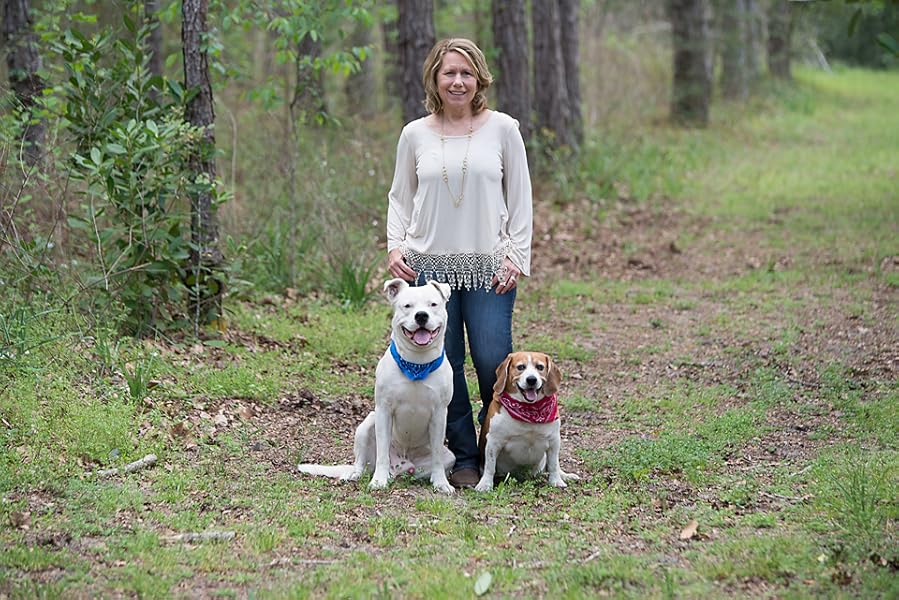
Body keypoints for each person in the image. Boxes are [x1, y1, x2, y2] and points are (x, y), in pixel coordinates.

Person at [385, 38, 533, 488]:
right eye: (449, 73)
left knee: (492, 358)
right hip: (428, 266)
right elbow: (399, 197)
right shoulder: (414, 134)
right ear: (435, 78)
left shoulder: (503, 128)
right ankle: (465, 459)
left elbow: (521, 199)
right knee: (441, 363)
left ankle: (503, 451)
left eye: (466, 73)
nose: (457, 81)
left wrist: (516, 257)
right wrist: (395, 246)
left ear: (479, 78)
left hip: (490, 265)